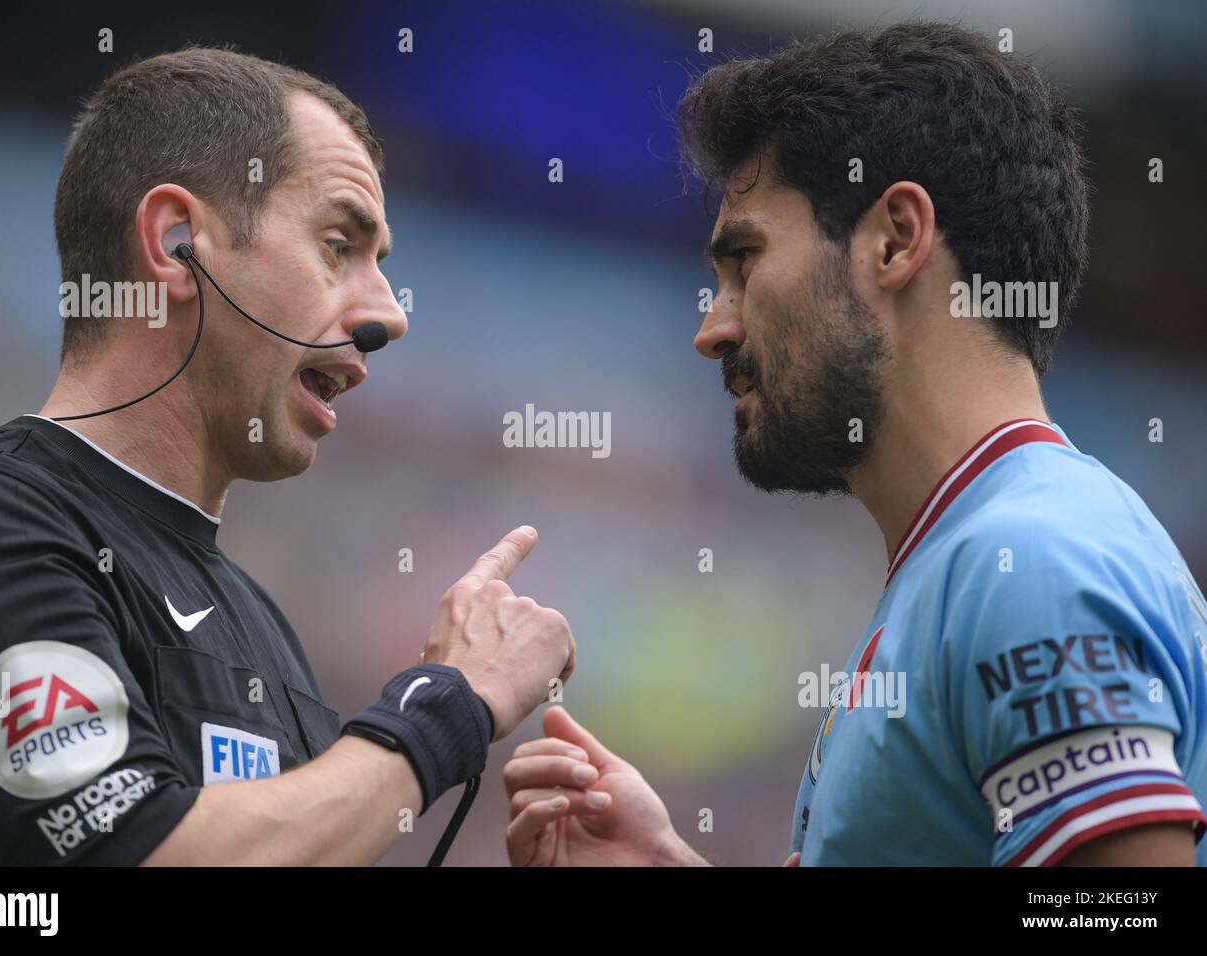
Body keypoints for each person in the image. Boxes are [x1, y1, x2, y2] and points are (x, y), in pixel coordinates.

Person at [503, 22, 1207, 867]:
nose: (713, 328)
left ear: (896, 240)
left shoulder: (1027, 561)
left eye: (746, 259)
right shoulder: (977, 556)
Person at [0, 47, 575, 865]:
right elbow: (136, 856)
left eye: (382, 264)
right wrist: (447, 708)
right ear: (178, 242)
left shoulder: (260, 624)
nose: (389, 315)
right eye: (339, 244)